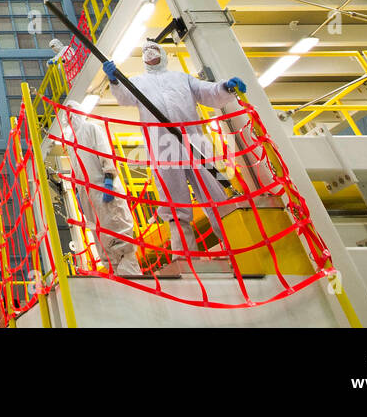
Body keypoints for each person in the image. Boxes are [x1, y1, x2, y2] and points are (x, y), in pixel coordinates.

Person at [103, 41, 247, 268]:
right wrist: (114, 80)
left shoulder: (182, 78)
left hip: (195, 142)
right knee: (174, 204)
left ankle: (238, 247)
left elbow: (206, 92)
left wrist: (225, 88)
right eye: (146, 52)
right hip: (163, 148)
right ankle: (186, 258)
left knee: (215, 193)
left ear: (163, 54)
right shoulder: (138, 83)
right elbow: (124, 98)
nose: (150, 54)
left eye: (154, 50)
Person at [44, 98, 141, 277]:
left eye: (71, 110)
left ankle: (132, 277)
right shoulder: (71, 142)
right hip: (89, 196)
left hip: (104, 188)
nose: (69, 114)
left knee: (118, 233)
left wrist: (109, 179)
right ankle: (116, 276)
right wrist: (79, 195)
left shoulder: (91, 128)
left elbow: (104, 153)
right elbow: (77, 170)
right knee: (101, 237)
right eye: (66, 112)